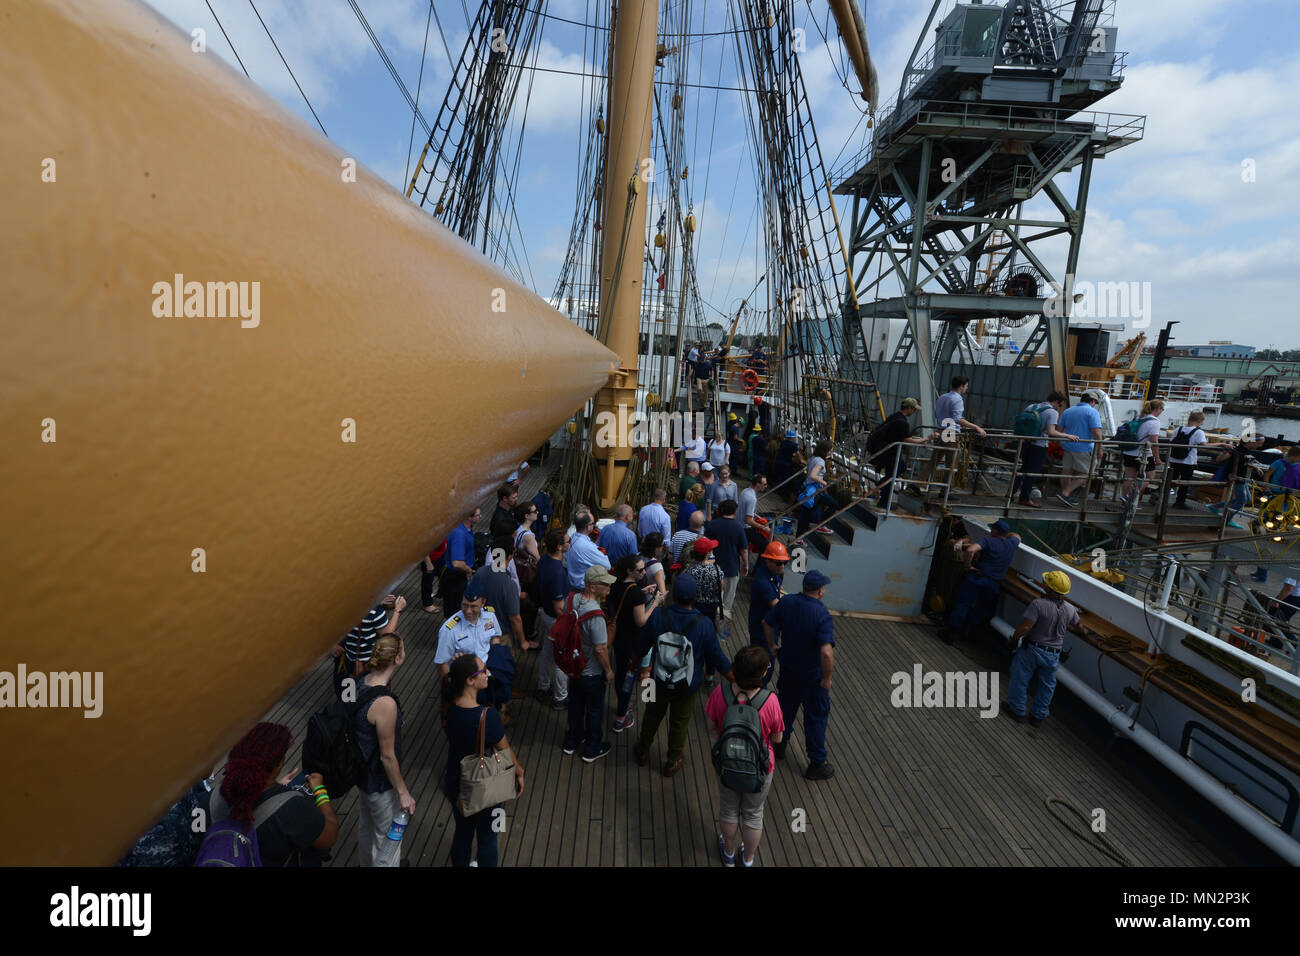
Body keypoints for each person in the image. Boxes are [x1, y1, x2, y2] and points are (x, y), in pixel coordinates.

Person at [634, 574, 733, 777]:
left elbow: (642, 648)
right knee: (679, 721)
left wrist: (632, 665)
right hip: (687, 684)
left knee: (652, 715)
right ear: (693, 597)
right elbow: (718, 659)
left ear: (674, 595)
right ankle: (672, 760)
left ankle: (642, 751)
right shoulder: (704, 625)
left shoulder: (657, 617)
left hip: (658, 680)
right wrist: (735, 679)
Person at [205, 722, 339, 867]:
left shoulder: (217, 794)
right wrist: (319, 790)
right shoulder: (294, 810)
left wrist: (276, 791)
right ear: (279, 763)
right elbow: (329, 837)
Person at [441, 655, 524, 867]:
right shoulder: (489, 717)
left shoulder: (448, 708)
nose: (488, 673)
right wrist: (519, 773)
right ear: (470, 680)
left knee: (462, 832)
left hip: (456, 782)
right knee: (489, 837)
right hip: (485, 785)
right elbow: (505, 752)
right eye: (483, 671)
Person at [706, 646, 783, 868]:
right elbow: (777, 739)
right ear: (761, 674)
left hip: (727, 764)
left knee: (729, 809)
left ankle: (728, 854)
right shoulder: (770, 701)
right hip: (760, 768)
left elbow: (711, 726)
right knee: (753, 814)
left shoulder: (721, 692)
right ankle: (747, 859)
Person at [762, 569, 836, 780]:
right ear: (821, 591)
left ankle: (779, 746)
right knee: (815, 718)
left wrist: (772, 646)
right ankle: (816, 763)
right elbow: (826, 652)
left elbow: (766, 623)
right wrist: (827, 678)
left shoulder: (787, 602)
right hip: (812, 676)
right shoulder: (822, 615)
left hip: (788, 668)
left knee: (785, 708)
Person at [355, 635, 415, 866]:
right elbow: (387, 756)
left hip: (362, 774)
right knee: (388, 840)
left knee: (366, 828)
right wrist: (403, 793)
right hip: (380, 782)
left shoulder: (361, 680)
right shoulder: (385, 704)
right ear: (398, 658)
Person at [1003, 571, 1079, 726]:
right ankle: (1038, 716)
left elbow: (1025, 627)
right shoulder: (1071, 609)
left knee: (1020, 678)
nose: (1043, 583)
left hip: (1033, 649)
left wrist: (1014, 639)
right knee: (1047, 686)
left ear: (1049, 589)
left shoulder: (1038, 604)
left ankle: (1017, 710)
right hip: (1054, 654)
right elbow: (1080, 627)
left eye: (1046, 582)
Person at [608, 554, 667, 733]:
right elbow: (641, 621)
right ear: (630, 571)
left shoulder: (617, 584)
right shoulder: (634, 593)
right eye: (640, 570)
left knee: (621, 673)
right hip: (632, 641)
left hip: (618, 638)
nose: (644, 572)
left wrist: (642, 593)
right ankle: (621, 717)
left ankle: (623, 704)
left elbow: (624, 600)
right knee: (628, 678)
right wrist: (655, 603)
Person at [563, 566, 616, 762]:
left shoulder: (573, 599)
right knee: (594, 711)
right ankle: (592, 749)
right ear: (593, 588)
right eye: (605, 584)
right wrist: (609, 671)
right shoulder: (596, 615)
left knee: (576, 706)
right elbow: (600, 649)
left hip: (573, 667)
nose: (609, 586)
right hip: (591, 672)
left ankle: (572, 741)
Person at [941, 519, 1021, 644]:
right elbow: (1017, 536)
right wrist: (1007, 536)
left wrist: (967, 566)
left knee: (963, 604)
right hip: (994, 584)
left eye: (992, 529)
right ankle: (969, 635)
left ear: (995, 531)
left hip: (978, 578)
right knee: (981, 609)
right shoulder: (1012, 544)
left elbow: (970, 550)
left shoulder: (988, 541)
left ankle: (951, 633)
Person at [1012, 391, 1079, 508]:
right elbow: (1051, 432)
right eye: (1060, 405)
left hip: (1026, 442)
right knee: (1032, 472)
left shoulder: (1032, 406)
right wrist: (1068, 436)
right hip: (1039, 445)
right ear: (1057, 402)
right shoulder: (1052, 412)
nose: (1059, 408)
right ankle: (1024, 498)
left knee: (1023, 469)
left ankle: (1010, 494)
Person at [331, 596, 403, 700]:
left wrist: (332, 645)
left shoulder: (341, 604)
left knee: (349, 697)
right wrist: (397, 610)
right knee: (368, 697)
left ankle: (349, 708)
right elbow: (386, 634)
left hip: (349, 658)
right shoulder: (374, 610)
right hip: (370, 662)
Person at [865, 398, 928, 511]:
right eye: (913, 409)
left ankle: (882, 490)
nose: (914, 412)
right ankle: (883, 498)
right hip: (889, 453)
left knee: (896, 471)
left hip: (884, 450)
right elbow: (908, 440)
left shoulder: (895, 416)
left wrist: (918, 438)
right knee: (894, 473)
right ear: (909, 408)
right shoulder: (902, 422)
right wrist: (927, 439)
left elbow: (901, 435)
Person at [534, 529, 570, 709]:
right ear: (559, 547)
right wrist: (567, 623)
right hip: (556, 619)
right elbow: (559, 606)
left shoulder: (543, 560)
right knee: (560, 659)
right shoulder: (557, 572)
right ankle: (560, 697)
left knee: (547, 652)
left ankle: (543, 686)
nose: (569, 544)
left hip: (545, 614)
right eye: (567, 542)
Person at [1168, 412, 1233, 509]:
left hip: (1174, 459)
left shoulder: (1178, 429)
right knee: (1185, 482)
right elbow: (1204, 445)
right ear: (1200, 421)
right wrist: (1221, 444)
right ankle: (1180, 502)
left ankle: (1159, 494)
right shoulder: (1198, 432)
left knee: (1171, 480)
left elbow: (1171, 441)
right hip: (1188, 461)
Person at [748, 541, 788, 687]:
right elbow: (776, 605)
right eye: (778, 563)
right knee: (764, 665)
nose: (782, 566)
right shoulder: (762, 581)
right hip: (762, 631)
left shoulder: (774, 574)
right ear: (767, 561)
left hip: (770, 627)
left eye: (784, 562)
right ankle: (758, 692)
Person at [705, 499, 749, 621]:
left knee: (713, 595)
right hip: (731, 568)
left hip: (713, 567)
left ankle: (710, 618)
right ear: (735, 512)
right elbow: (744, 550)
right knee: (728, 599)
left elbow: (705, 545)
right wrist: (746, 565)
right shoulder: (739, 528)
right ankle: (722, 622)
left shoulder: (712, 525)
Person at [1056, 393, 1104, 505]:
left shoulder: (1068, 411)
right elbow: (1096, 431)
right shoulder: (1092, 412)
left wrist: (1059, 442)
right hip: (1084, 447)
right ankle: (1065, 494)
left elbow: (1059, 429)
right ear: (1092, 401)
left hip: (1067, 445)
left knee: (1066, 472)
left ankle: (1066, 497)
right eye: (1095, 403)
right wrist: (1099, 447)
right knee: (1087, 474)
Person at [1120, 399, 1164, 502]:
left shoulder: (1139, 418)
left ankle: (1124, 497)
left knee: (1129, 477)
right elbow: (1154, 441)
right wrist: (1157, 458)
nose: (1162, 411)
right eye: (1162, 409)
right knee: (1149, 477)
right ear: (1158, 409)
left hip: (1129, 452)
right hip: (1143, 454)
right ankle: (1131, 497)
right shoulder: (1154, 422)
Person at [441, 507, 480, 617]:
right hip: (457, 578)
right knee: (455, 612)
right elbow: (457, 563)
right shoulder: (460, 534)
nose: (480, 517)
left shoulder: (467, 529)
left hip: (460, 574)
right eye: (478, 515)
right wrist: (468, 571)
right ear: (469, 517)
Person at [566, 510, 611, 592]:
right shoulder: (585, 546)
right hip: (584, 589)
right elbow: (607, 565)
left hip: (574, 585)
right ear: (588, 527)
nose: (594, 525)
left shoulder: (573, 537)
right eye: (593, 523)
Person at [640, 532, 668, 597]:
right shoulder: (657, 567)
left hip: (637, 596)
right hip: (649, 601)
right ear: (656, 548)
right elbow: (662, 594)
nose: (663, 548)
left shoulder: (637, 555)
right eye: (662, 545)